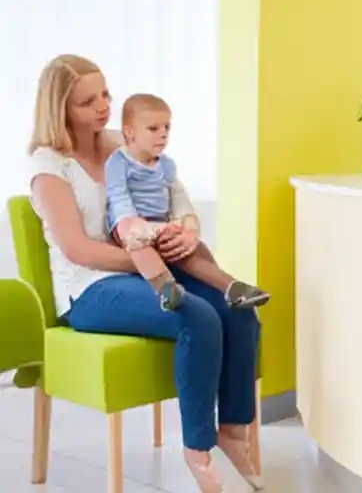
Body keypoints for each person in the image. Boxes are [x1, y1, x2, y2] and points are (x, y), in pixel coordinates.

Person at [27, 55, 262, 493]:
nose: (102, 107)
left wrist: (187, 232)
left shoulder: (122, 143)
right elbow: (77, 249)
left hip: (148, 269)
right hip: (91, 289)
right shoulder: (49, 167)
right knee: (197, 315)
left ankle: (233, 431)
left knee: (239, 311)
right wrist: (148, 259)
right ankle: (197, 449)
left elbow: (176, 197)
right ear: (60, 109)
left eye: (105, 95)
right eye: (87, 102)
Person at [105, 92, 269, 312]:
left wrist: (182, 225)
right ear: (130, 132)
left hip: (160, 223)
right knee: (140, 245)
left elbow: (176, 197)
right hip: (129, 223)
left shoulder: (166, 164)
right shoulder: (119, 162)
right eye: (154, 129)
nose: (163, 134)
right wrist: (133, 227)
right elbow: (119, 197)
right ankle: (166, 289)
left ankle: (230, 287)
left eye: (167, 128)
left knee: (190, 249)